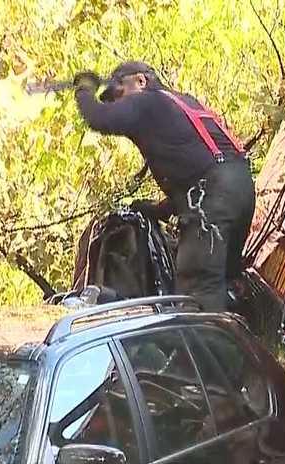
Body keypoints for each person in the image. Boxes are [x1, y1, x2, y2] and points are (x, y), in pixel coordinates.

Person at [70, 61, 255, 312]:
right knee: (223, 282)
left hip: (212, 202)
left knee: (197, 296)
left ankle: (205, 347)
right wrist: (159, 209)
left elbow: (98, 118)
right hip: (240, 189)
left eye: (118, 93)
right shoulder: (181, 103)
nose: (117, 104)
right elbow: (197, 164)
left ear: (140, 81)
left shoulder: (146, 102)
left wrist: (84, 89)